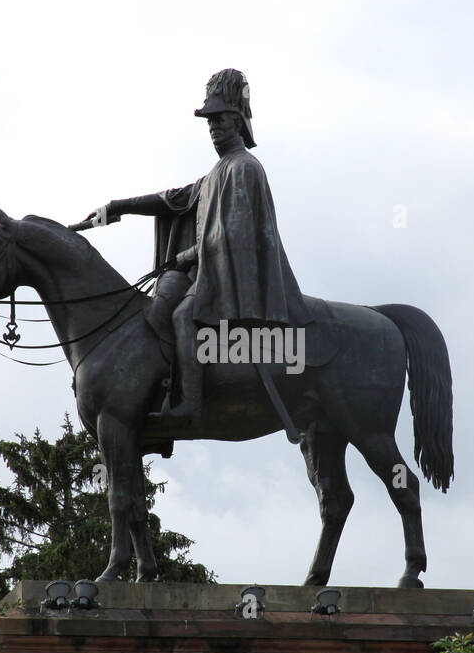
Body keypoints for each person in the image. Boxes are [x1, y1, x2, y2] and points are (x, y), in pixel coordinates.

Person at [79, 68, 311, 423]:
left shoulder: (245, 169)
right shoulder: (213, 175)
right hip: (201, 271)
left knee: (183, 316)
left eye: (219, 120)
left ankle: (190, 403)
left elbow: (233, 238)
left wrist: (186, 255)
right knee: (154, 309)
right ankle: (155, 387)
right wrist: (117, 207)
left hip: (226, 278)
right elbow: (171, 199)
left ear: (237, 122)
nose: (213, 128)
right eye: (209, 122)